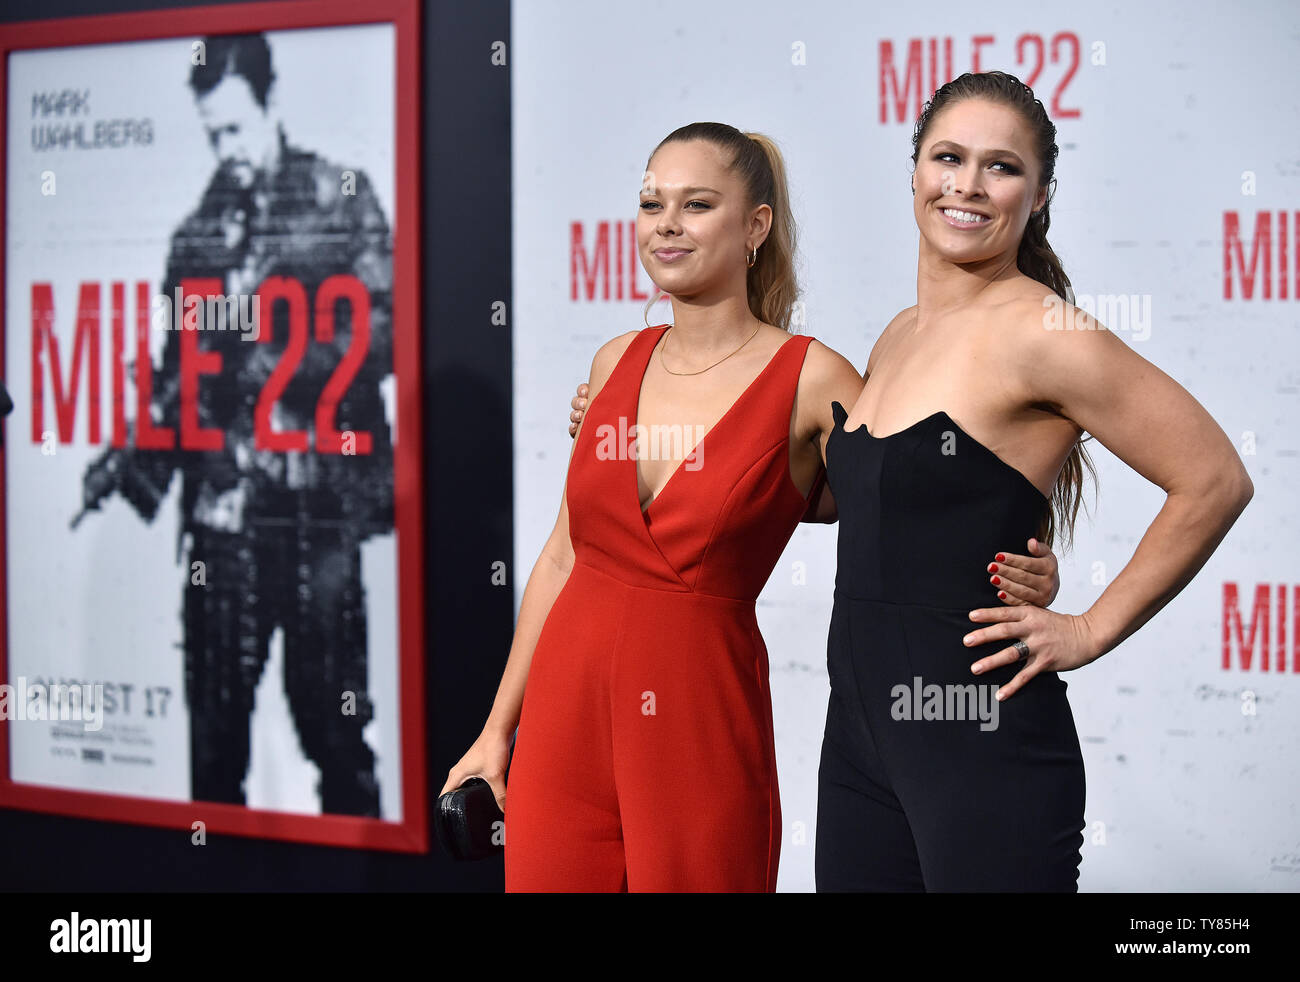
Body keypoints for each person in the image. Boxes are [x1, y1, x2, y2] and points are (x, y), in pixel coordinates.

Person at [445, 122, 1060, 892]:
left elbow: (908, 501)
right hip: (562, 724)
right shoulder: (612, 361)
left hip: (698, 722)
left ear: (756, 227)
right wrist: (498, 730)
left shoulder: (813, 379)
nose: (666, 223)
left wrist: (1025, 567)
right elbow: (563, 556)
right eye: (651, 203)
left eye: (697, 203)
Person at [815, 71, 1253, 890]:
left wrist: (1087, 630)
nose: (968, 185)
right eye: (948, 156)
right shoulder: (897, 334)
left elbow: (1215, 478)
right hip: (859, 744)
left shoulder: (1047, 334)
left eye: (1002, 167)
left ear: (1041, 192)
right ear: (913, 170)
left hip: (984, 747)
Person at [76, 33, 393, 816]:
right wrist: (136, 452)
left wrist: (284, 353)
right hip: (222, 526)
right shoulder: (195, 236)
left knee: (339, 740)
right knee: (214, 757)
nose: (227, 148)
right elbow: (178, 378)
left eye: (236, 128)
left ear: (270, 103)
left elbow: (390, 328)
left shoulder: (337, 197)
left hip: (317, 517)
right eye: (211, 132)